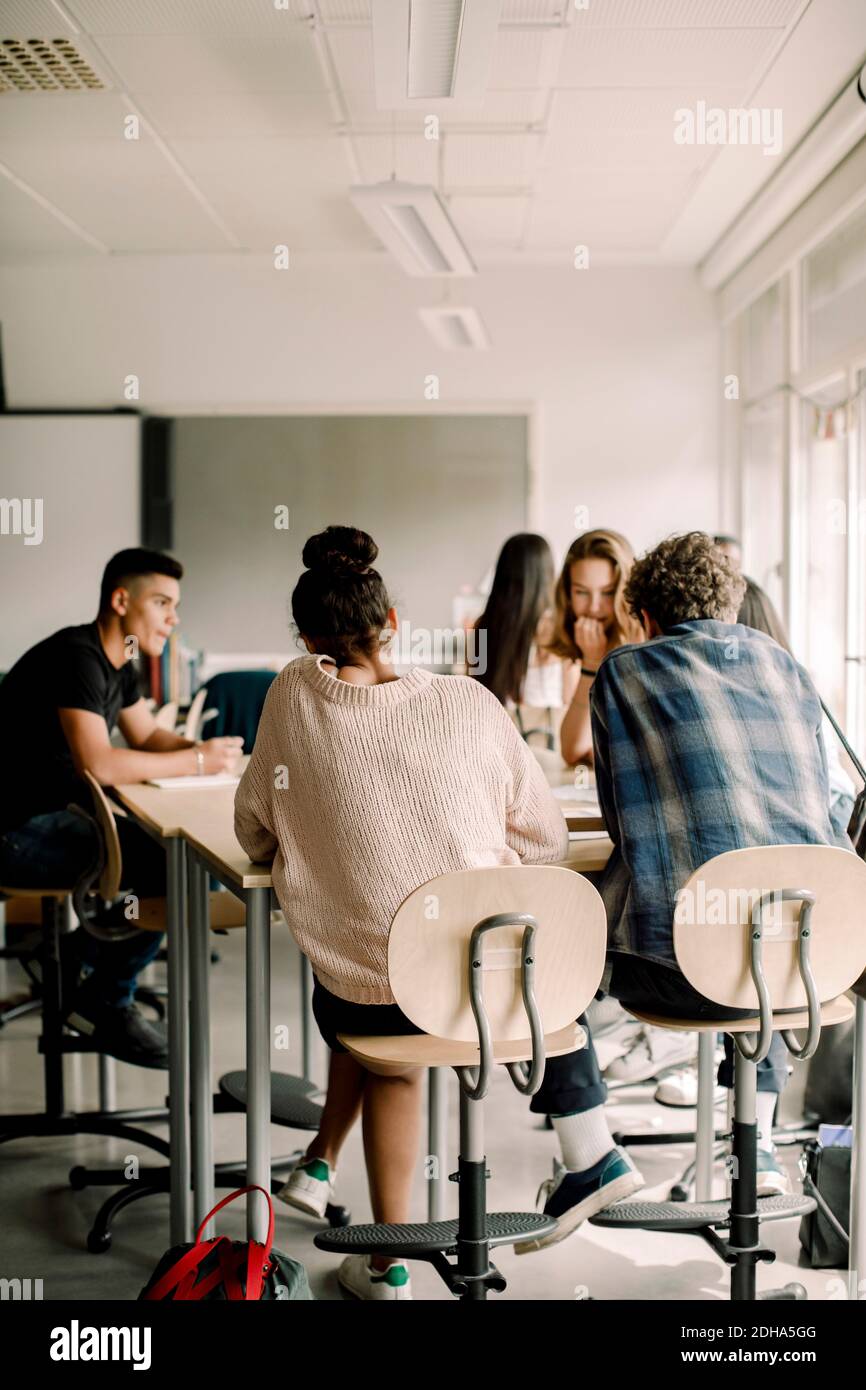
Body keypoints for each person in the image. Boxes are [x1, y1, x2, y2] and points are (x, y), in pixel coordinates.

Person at [234, 525, 568, 1300]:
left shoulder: (291, 693)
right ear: (394, 620)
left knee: (384, 1019)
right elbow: (546, 840)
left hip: (373, 999)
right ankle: (338, 1185)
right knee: (405, 973)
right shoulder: (472, 702)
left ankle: (387, 1266)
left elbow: (254, 828)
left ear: (307, 637)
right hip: (491, 993)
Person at [517, 532, 850, 1255]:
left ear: (639, 614)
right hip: (808, 970)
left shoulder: (622, 672)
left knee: (536, 941)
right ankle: (752, 1141)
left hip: (685, 975)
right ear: (731, 604)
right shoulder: (789, 669)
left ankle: (589, 1153)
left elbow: (618, 809)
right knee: (763, 913)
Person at [0, 549, 242, 1066]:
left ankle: (74, 960)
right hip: (13, 832)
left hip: (51, 818)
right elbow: (100, 763)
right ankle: (104, 1000)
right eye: (162, 603)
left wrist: (206, 755)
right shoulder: (77, 656)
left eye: (176, 605)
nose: (174, 618)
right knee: (172, 867)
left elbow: (145, 733)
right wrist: (197, 761)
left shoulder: (119, 660)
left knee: (177, 863)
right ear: (120, 600)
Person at [548, 529, 643, 766]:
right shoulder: (582, 644)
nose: (593, 607)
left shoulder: (646, 640)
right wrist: (591, 664)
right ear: (567, 594)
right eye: (581, 592)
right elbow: (573, 751)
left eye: (608, 593)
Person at [471, 532, 565, 742]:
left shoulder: (483, 627)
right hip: (550, 746)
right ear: (547, 574)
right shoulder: (559, 629)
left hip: (498, 744)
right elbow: (569, 701)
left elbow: (474, 695)